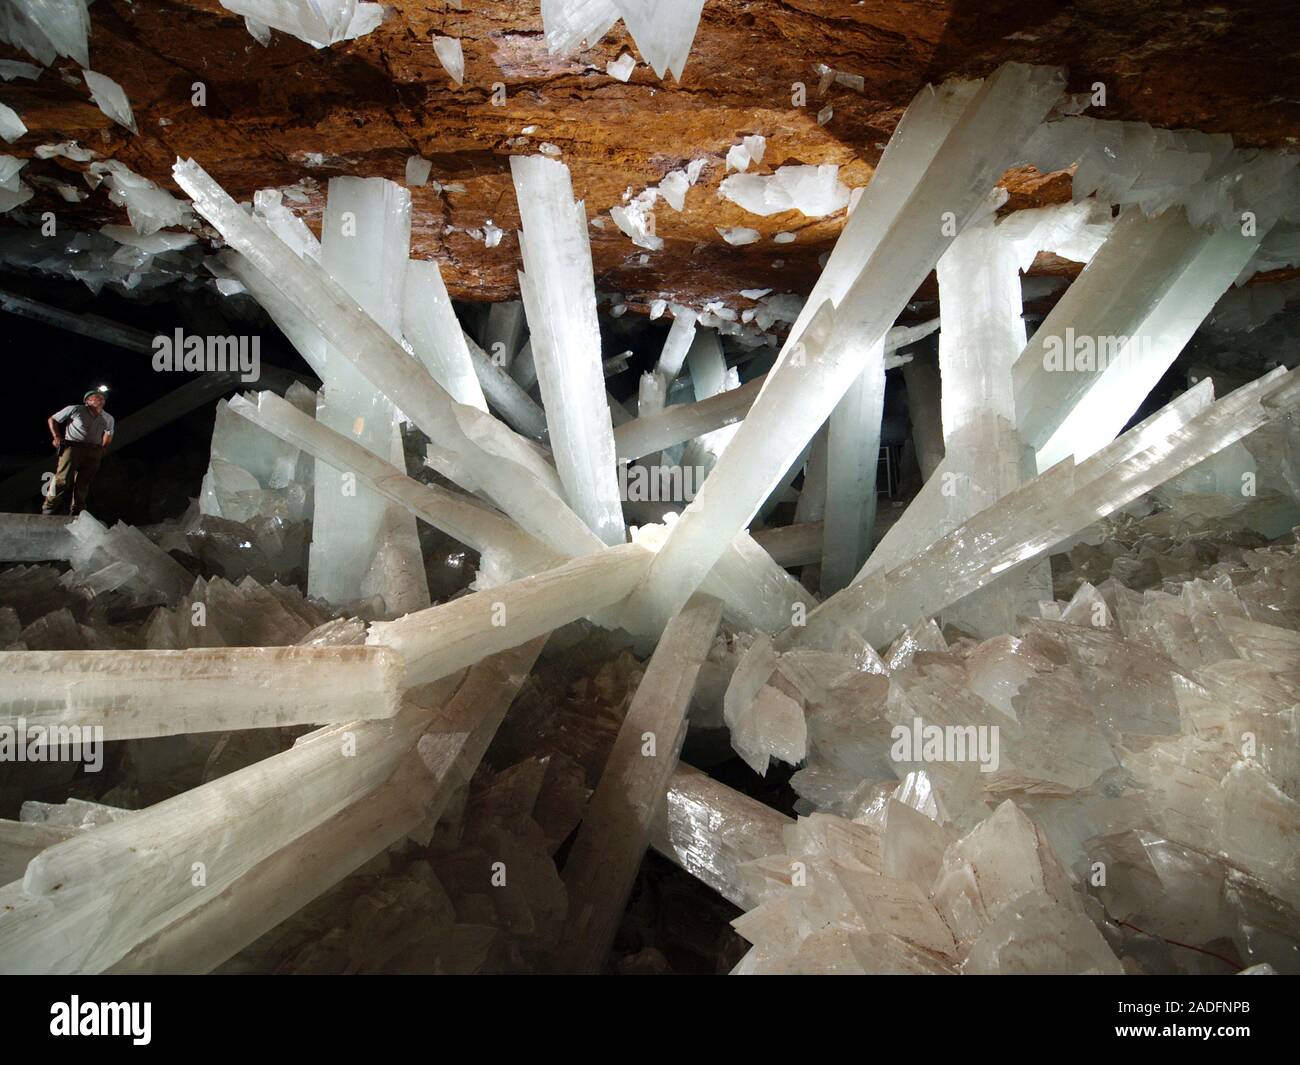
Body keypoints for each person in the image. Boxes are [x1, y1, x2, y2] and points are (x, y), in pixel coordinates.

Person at [42, 389, 114, 516]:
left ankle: (77, 510)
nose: (101, 399)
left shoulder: (108, 417)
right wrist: (57, 436)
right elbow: (52, 419)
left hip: (94, 450)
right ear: (88, 401)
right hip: (73, 447)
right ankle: (49, 507)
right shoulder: (75, 409)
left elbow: (109, 433)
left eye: (103, 398)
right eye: (97, 397)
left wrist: (103, 448)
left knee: (84, 481)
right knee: (62, 478)